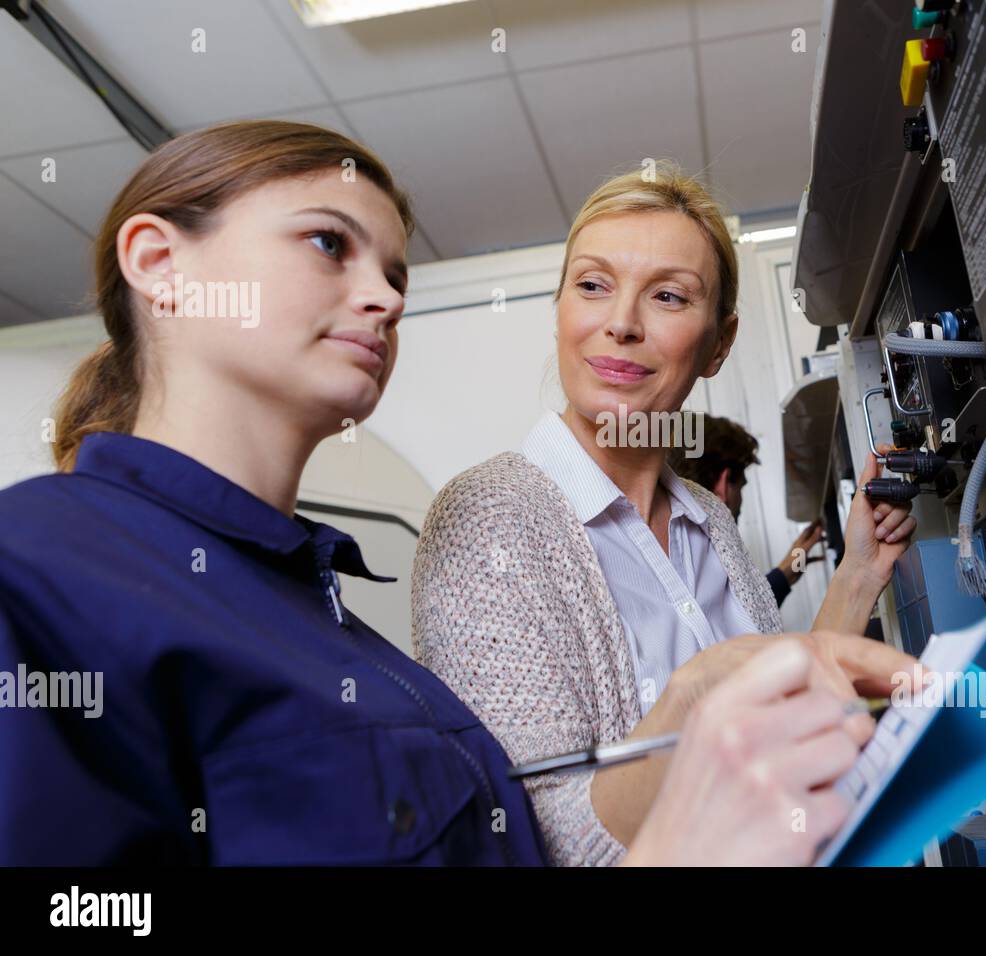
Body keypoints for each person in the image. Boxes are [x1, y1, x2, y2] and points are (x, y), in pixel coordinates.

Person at [0, 121, 917, 867]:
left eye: (395, 274)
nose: (389, 299)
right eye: (329, 243)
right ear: (159, 265)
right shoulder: (45, 570)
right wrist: (688, 725)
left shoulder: (320, 607)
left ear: (716, 344)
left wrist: (855, 583)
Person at [412, 162, 918, 865]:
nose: (620, 324)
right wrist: (693, 702)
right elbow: (536, 835)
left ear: (719, 343)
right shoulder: (487, 519)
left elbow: (788, 711)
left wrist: (859, 574)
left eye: (669, 297)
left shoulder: (708, 515)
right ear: (560, 310)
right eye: (592, 286)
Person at [667, 412, 831, 608]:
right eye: (741, 486)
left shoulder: (675, 550)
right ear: (724, 484)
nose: (741, 498)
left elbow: (749, 611)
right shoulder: (709, 562)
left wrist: (791, 569)